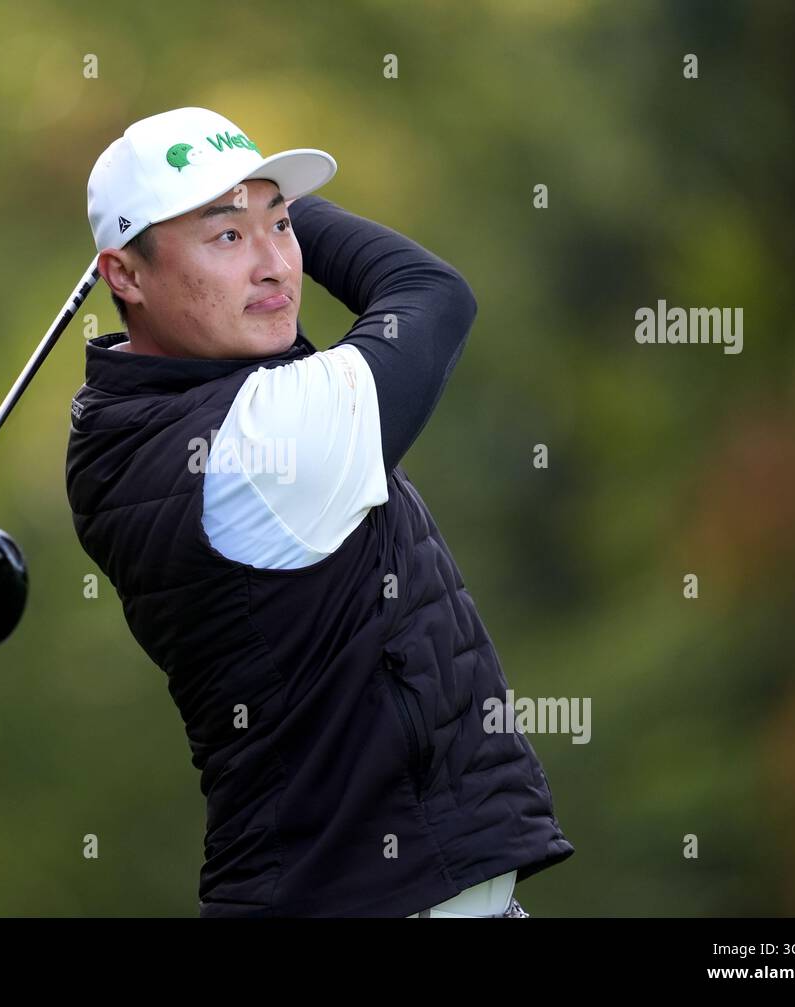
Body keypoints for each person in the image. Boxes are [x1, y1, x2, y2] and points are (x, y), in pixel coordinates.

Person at [66, 106, 573, 917]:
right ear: (123, 275)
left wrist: (246, 197)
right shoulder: (256, 446)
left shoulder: (143, 415)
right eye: (227, 237)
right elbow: (431, 294)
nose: (275, 266)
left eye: (283, 225)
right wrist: (273, 196)